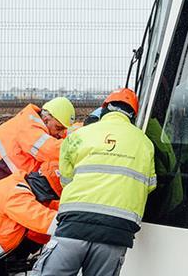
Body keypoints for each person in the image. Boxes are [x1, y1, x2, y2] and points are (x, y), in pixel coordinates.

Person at [34, 88, 156, 276]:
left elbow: (66, 179)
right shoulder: (145, 143)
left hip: (74, 225)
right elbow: (150, 184)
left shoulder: (79, 135)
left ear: (105, 109)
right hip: (117, 231)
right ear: (133, 115)